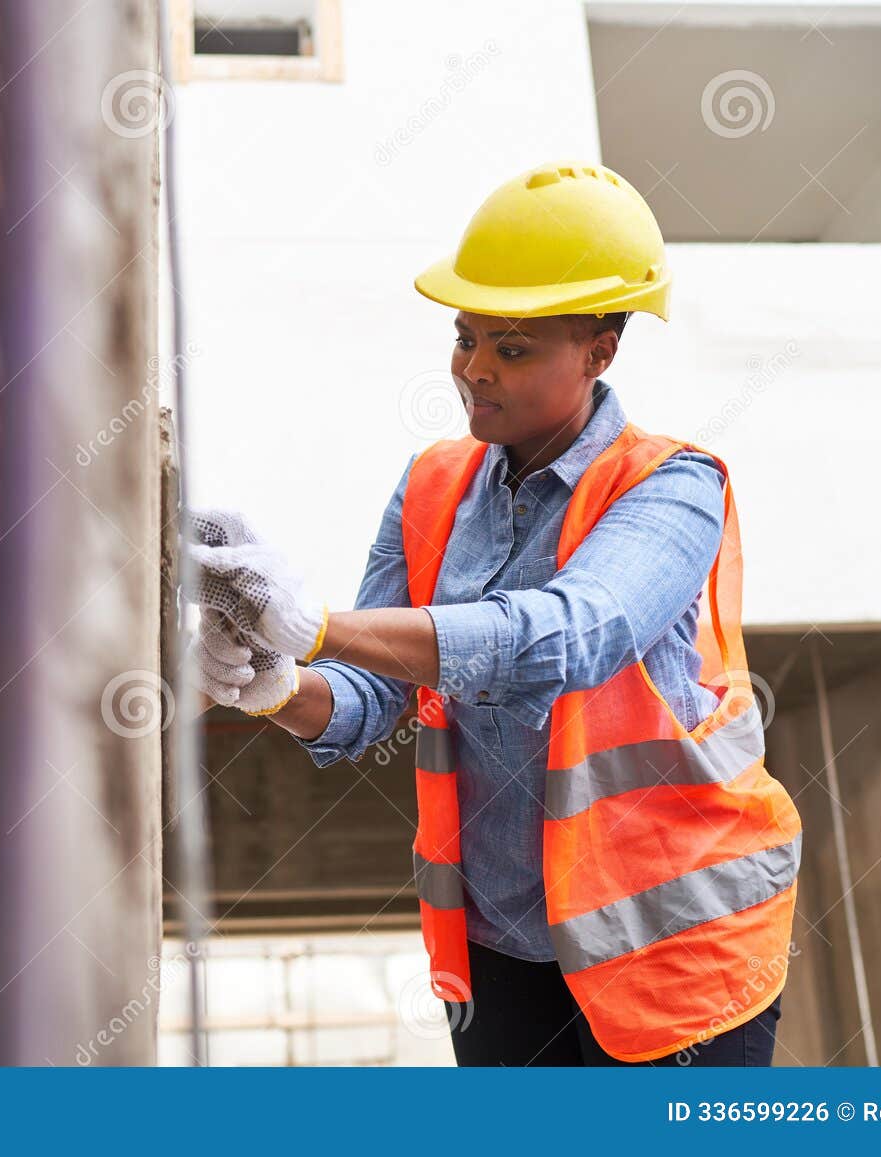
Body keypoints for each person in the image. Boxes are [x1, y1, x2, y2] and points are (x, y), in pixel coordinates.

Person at [187, 162, 802, 1068]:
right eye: (466, 337)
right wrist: (277, 686)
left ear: (600, 350)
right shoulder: (433, 484)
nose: (474, 369)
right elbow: (372, 692)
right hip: (500, 953)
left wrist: (310, 622)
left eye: (512, 348)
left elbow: (567, 634)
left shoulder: (671, 487)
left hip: (676, 948)